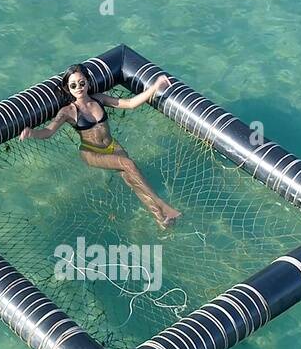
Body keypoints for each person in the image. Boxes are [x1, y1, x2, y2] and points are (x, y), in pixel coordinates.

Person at [19, 64, 182, 229]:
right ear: (68, 88)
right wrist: (32, 133)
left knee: (133, 180)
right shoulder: (68, 111)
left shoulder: (99, 99)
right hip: (91, 152)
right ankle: (161, 203)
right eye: (73, 85)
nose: (78, 88)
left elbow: (130, 103)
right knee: (129, 164)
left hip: (112, 146)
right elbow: (48, 132)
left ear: (88, 82)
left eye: (81, 83)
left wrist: (155, 86)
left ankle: (160, 218)